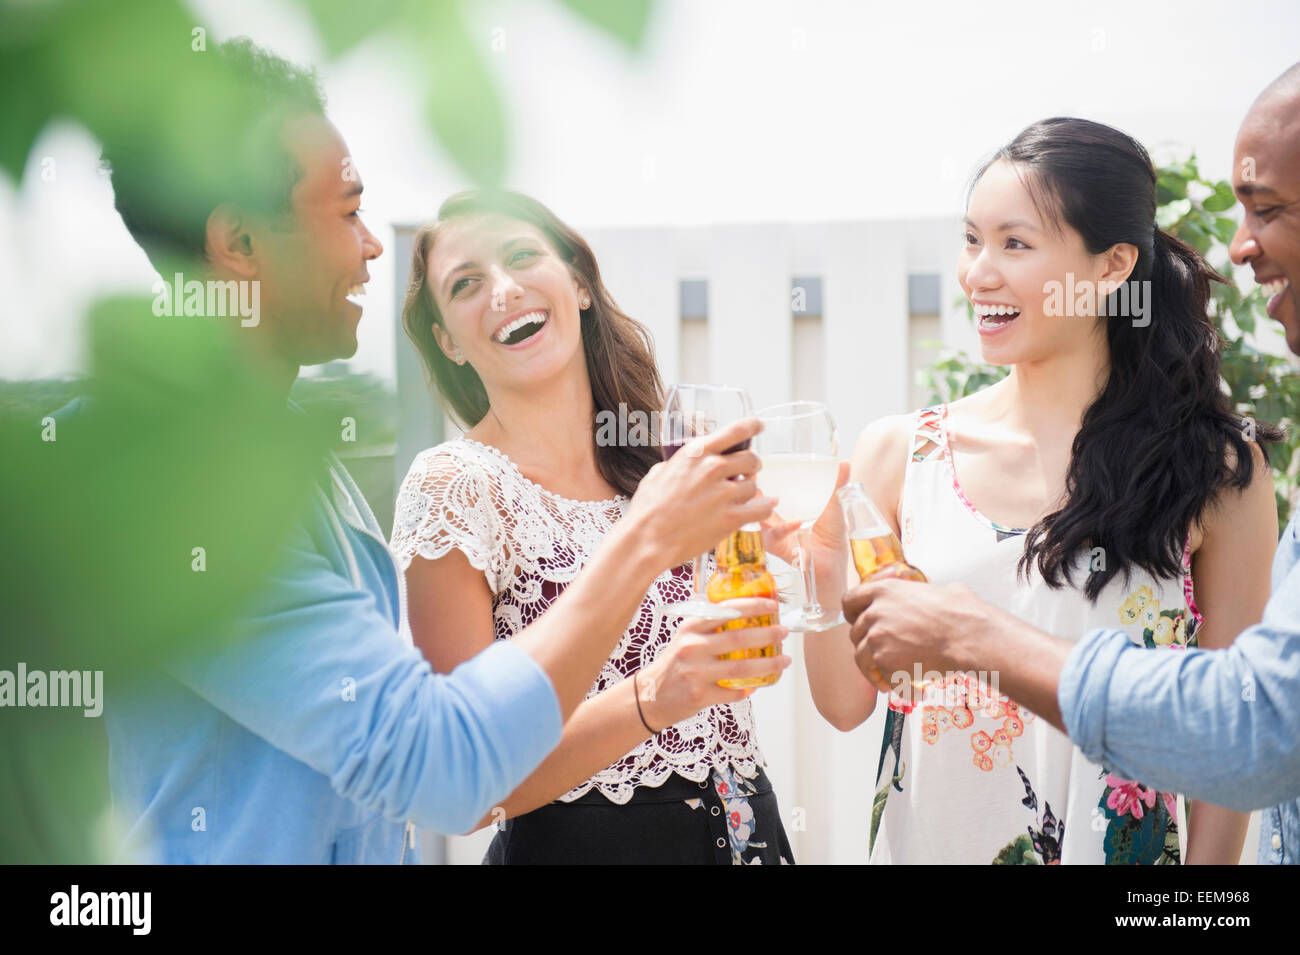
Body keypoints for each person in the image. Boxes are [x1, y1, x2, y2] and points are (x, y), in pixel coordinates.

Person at [100, 39, 774, 863]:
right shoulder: (192, 487)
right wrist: (650, 573)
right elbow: (439, 767)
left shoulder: (300, 474)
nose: (372, 247)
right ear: (239, 241)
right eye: (347, 211)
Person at [843, 63, 1300, 865]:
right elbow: (849, 701)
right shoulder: (903, 454)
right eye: (972, 240)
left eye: (1015, 243)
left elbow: (1238, 748)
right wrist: (815, 559)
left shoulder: (1216, 472)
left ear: (1114, 265)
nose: (980, 272)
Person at [390, 190, 795, 864]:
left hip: (751, 831)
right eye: (467, 284)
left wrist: (801, 571)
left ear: (577, 281)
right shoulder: (455, 488)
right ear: (446, 342)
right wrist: (652, 698)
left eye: (521, 256)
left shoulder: (673, 453)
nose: (504, 289)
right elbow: (462, 790)